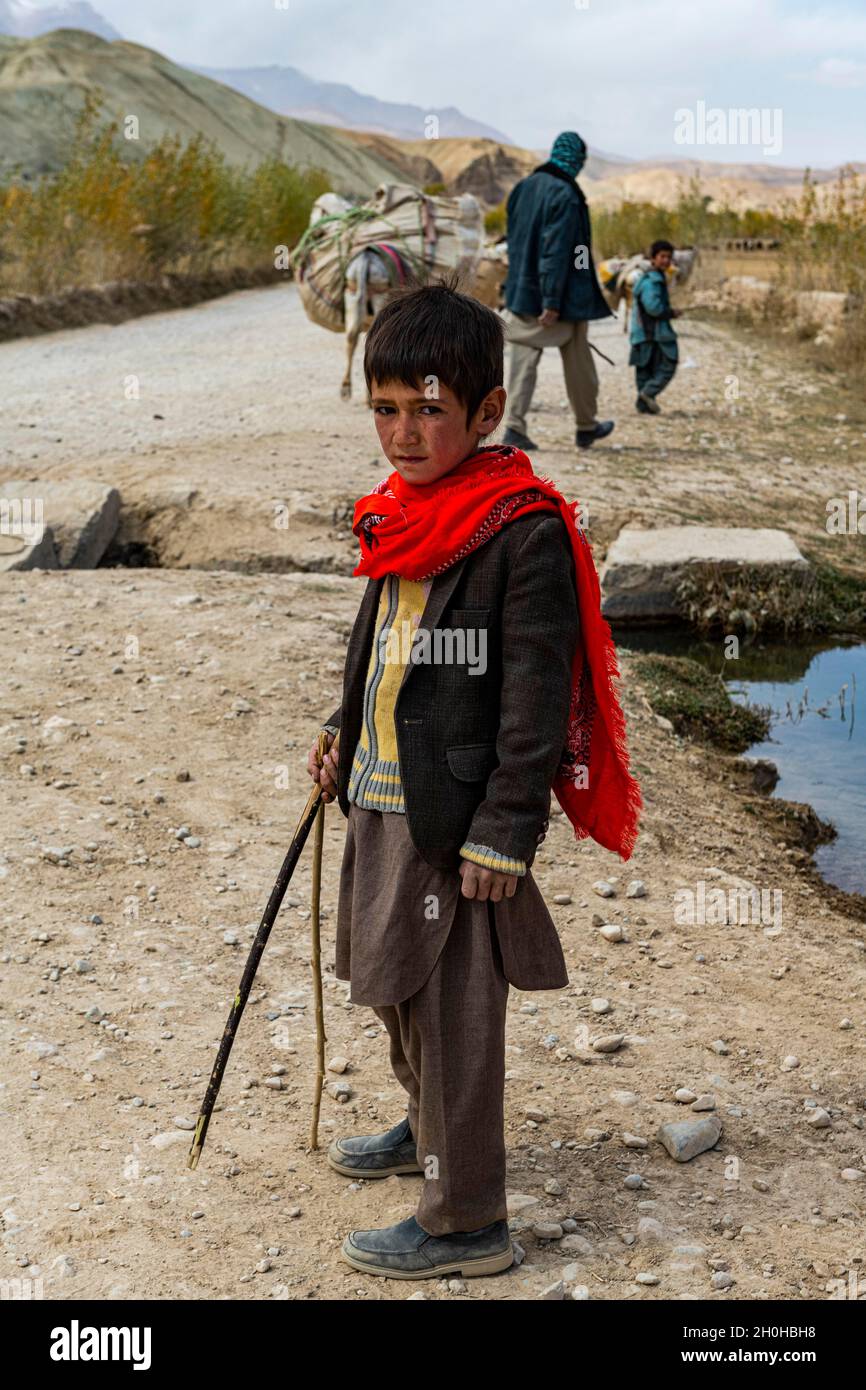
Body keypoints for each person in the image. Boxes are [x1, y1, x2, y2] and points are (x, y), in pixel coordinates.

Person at [307, 278, 641, 1281]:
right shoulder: (398, 515)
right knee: (389, 987)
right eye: (385, 410)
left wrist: (506, 826)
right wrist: (338, 726)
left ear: (487, 411)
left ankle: (466, 1219)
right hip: (380, 793)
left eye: (427, 410)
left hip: (452, 822)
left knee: (451, 1012)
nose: (402, 433)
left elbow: (536, 696)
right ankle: (423, 1127)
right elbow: (380, 647)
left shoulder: (517, 530)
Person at [500, 130, 614, 452]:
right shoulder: (565, 194)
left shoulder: (522, 189)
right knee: (579, 365)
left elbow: (518, 242)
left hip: (522, 290)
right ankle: (586, 426)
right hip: (560, 298)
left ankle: (514, 426)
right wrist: (553, 298)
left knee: (524, 360)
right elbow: (559, 250)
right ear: (576, 160)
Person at [629, 239, 681, 415]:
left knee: (647, 368)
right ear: (653, 258)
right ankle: (647, 394)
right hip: (650, 332)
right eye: (662, 256)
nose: (666, 260)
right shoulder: (652, 282)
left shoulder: (652, 278)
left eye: (669, 257)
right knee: (668, 363)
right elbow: (653, 308)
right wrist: (671, 313)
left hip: (642, 332)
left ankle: (643, 405)